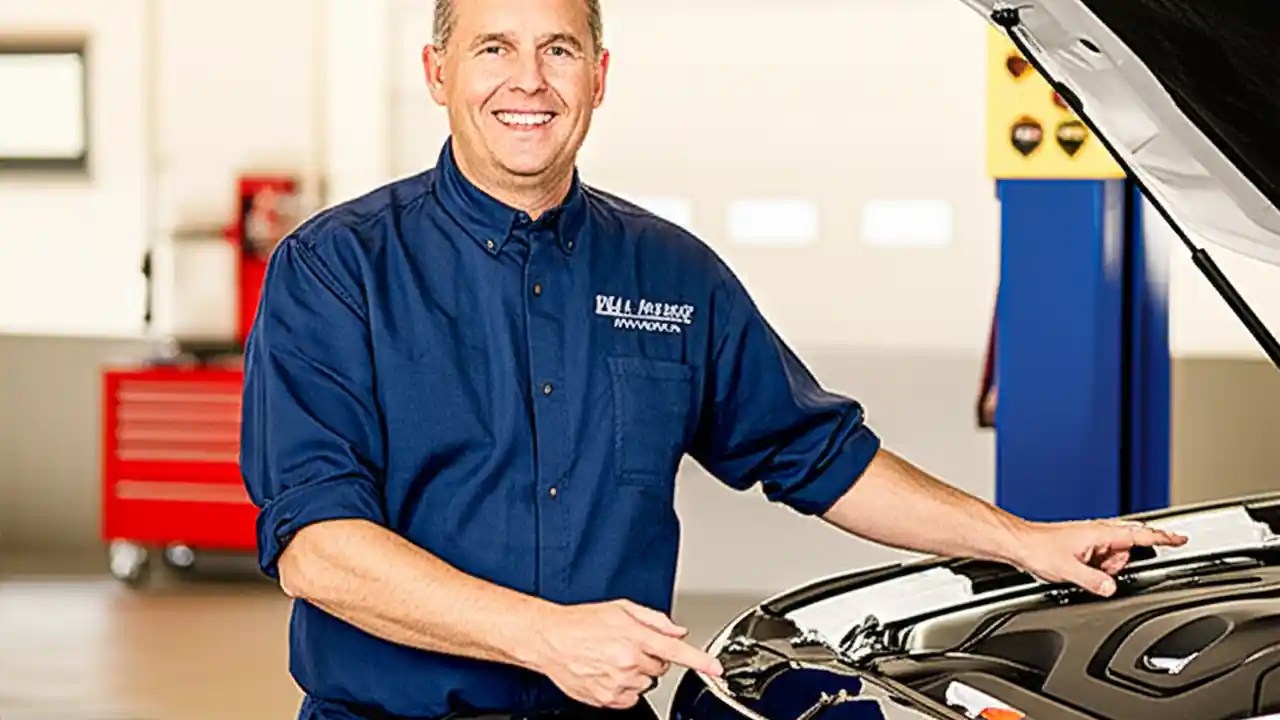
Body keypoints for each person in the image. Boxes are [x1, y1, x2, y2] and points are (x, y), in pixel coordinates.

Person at [239, 0, 1188, 718]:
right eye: (494, 47)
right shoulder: (336, 270)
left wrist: (1018, 538)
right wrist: (545, 636)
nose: (527, 81)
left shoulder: (673, 273)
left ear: (599, 75)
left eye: (558, 49)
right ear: (436, 71)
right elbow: (317, 548)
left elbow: (819, 457)